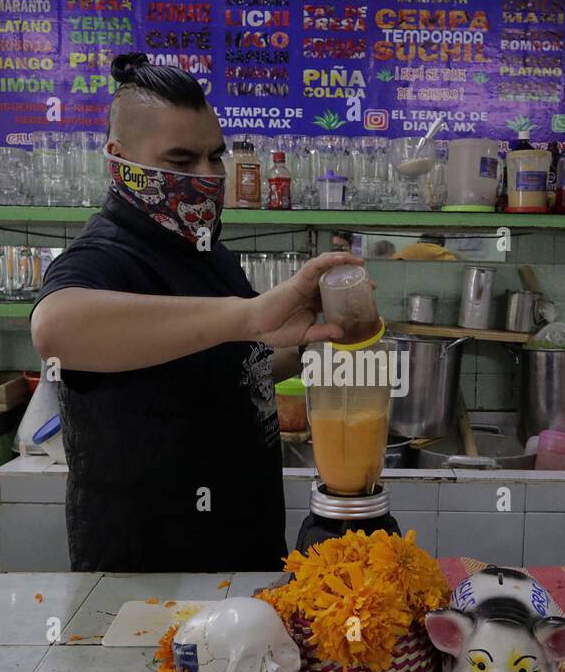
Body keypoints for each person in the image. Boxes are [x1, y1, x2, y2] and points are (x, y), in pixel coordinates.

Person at [31, 53, 361, 572]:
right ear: (120, 160)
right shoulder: (107, 255)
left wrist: (301, 350)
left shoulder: (206, 249)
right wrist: (251, 316)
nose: (207, 177)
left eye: (215, 157)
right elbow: (55, 329)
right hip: (148, 570)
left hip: (241, 549)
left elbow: (226, 372)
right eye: (181, 162)